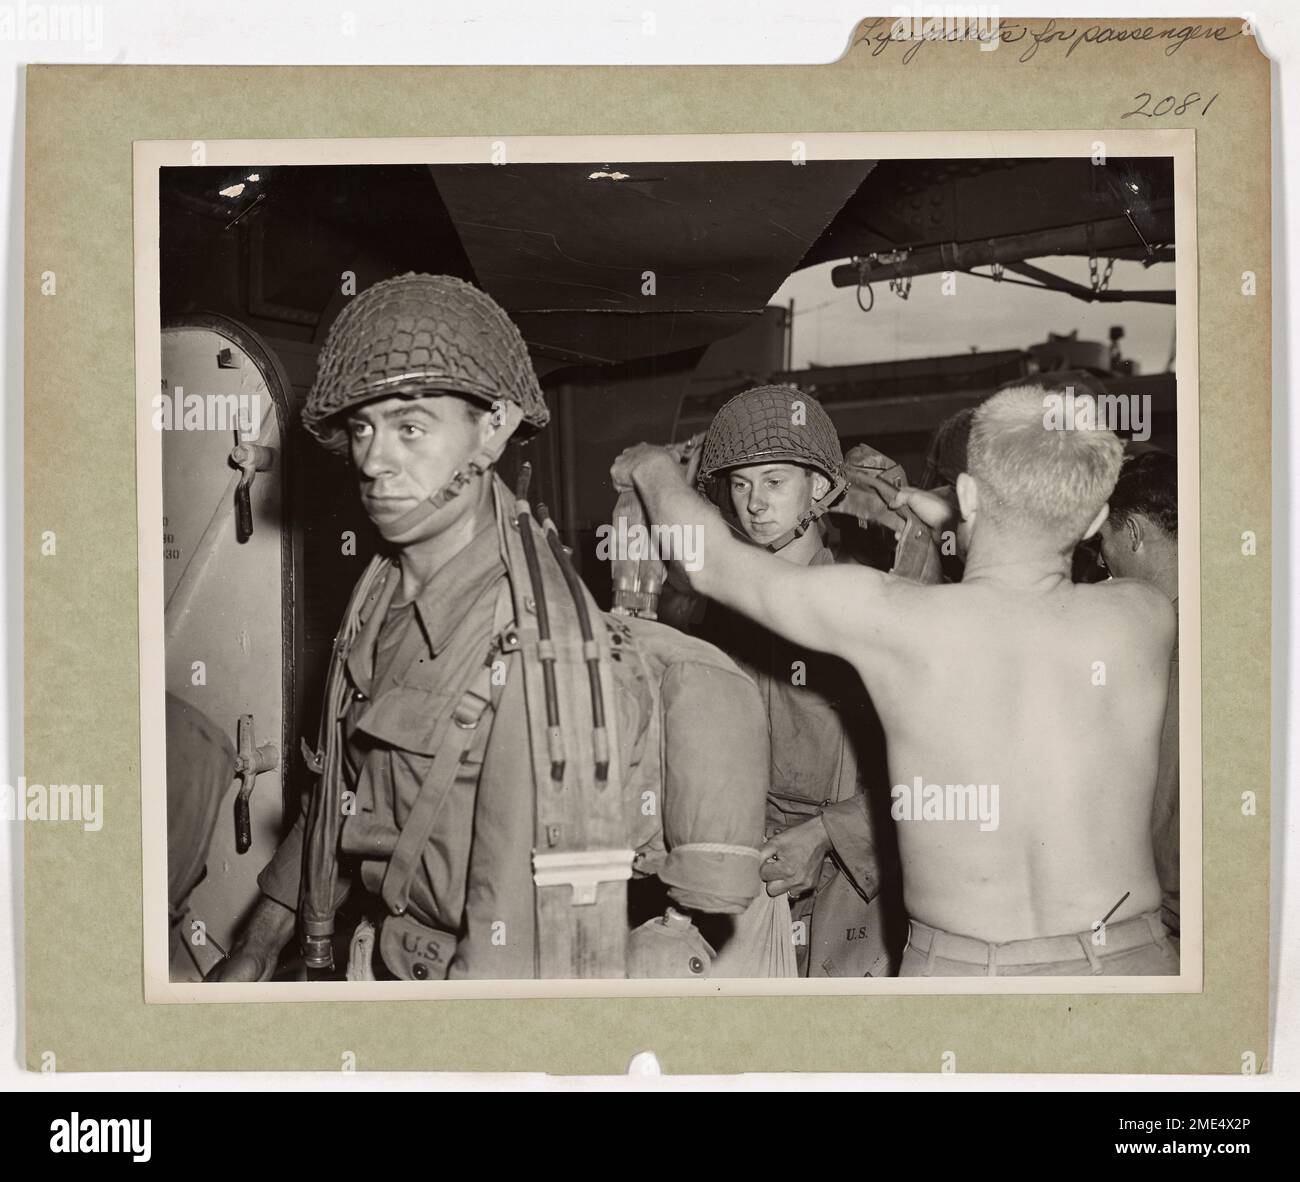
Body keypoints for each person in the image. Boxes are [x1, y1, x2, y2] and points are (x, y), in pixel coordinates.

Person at [211, 273, 772, 982]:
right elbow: (345, 795)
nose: (374, 461)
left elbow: (519, 953)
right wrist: (262, 939)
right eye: (362, 426)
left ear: (494, 427)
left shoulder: (541, 650)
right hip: (381, 959)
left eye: (411, 426)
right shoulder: (380, 596)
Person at [614, 383, 1179, 976]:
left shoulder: (899, 620)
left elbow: (709, 562)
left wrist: (651, 466)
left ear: (966, 491)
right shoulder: (1143, 616)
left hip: (963, 972)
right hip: (1125, 963)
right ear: (1094, 521)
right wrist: (938, 507)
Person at [679, 384, 899, 977]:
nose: (754, 503)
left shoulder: (871, 606)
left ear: (820, 489)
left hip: (856, 890)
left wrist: (829, 832)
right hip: (748, 875)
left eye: (775, 481)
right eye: (741, 483)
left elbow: (939, 781)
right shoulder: (721, 616)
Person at [1097, 448, 1180, 938]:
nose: (1102, 563)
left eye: (1103, 542)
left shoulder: (1173, 651)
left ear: (1132, 535)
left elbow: (1164, 832)